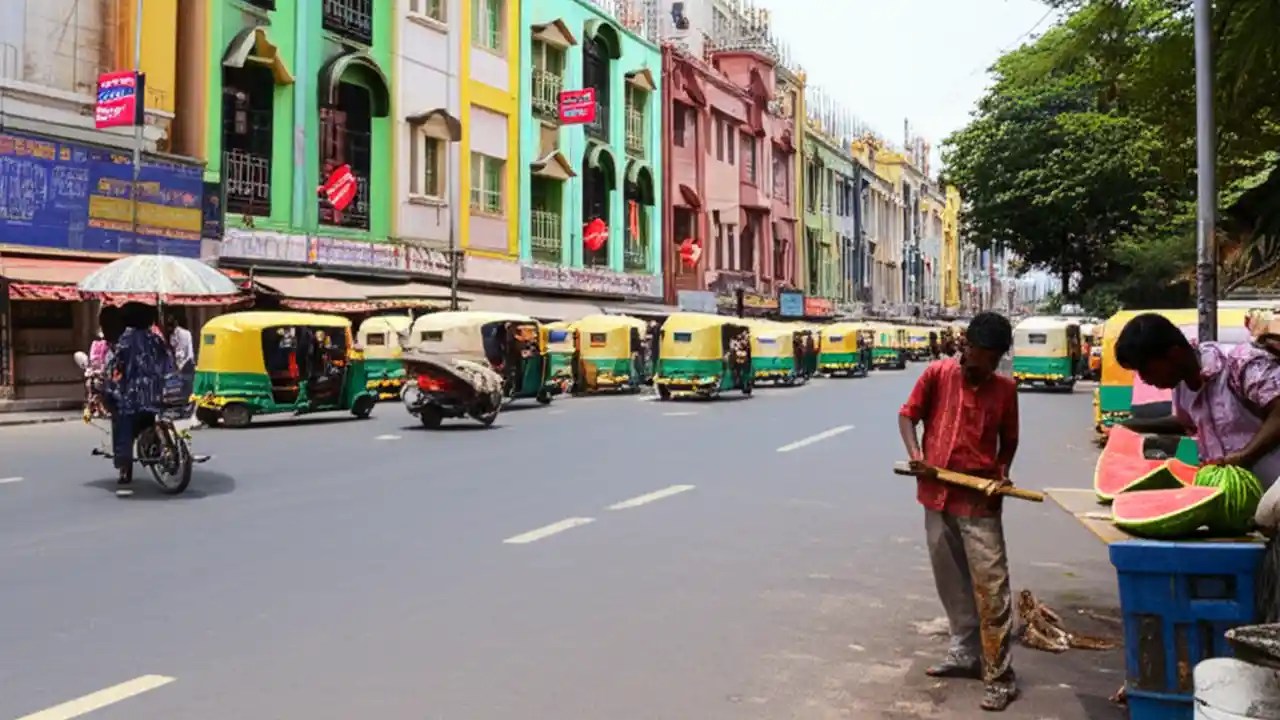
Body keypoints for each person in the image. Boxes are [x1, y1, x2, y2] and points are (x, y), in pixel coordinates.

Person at [897, 311, 1020, 712]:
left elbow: (1009, 440)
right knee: (951, 581)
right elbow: (907, 415)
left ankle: (1000, 675)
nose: (982, 363)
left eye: (991, 357)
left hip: (979, 499)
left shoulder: (1005, 390)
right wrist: (916, 455)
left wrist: (1001, 474)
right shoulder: (937, 374)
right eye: (978, 353)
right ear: (966, 347)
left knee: (992, 587)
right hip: (935, 495)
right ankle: (965, 653)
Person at [1116, 313, 1280, 488]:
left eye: (1146, 369)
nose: (1144, 379)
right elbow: (1187, 423)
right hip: (1230, 497)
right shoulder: (1181, 385)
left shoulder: (1240, 364)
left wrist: (1245, 456)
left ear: (1174, 354)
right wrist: (1130, 425)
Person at [105, 303, 175, 497]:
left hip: (133, 397)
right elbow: (168, 362)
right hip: (157, 393)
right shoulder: (156, 339)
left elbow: (114, 367)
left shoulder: (125, 340)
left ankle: (124, 466)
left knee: (122, 425)